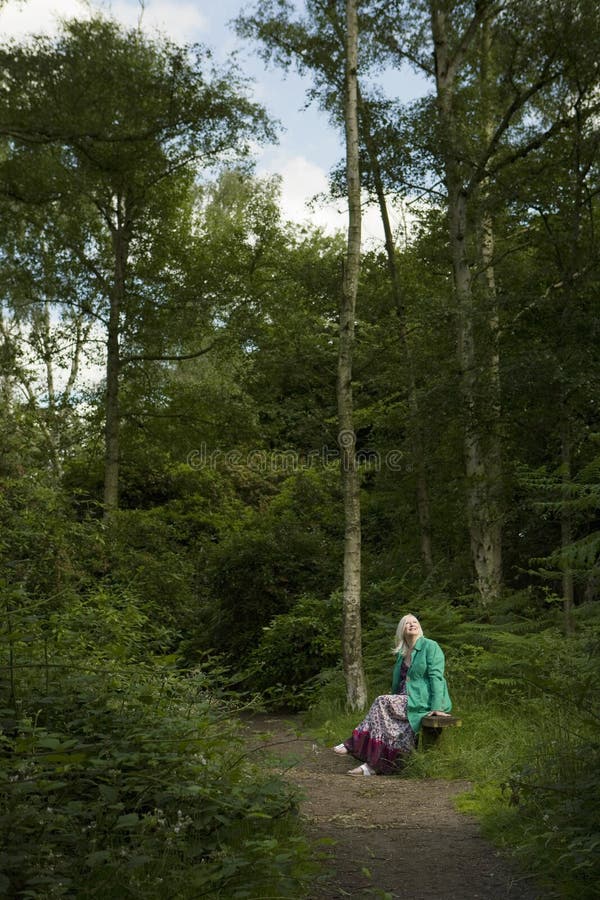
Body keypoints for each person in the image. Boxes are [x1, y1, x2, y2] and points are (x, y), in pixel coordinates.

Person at [333, 614, 452, 775]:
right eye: (407, 623)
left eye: (414, 622)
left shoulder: (430, 646)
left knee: (381, 701)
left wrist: (437, 706)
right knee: (385, 721)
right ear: (401, 629)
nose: (411, 625)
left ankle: (353, 744)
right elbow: (399, 683)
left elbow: (436, 677)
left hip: (422, 699)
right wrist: (394, 701)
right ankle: (374, 765)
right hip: (404, 699)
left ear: (419, 627)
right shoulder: (402, 653)